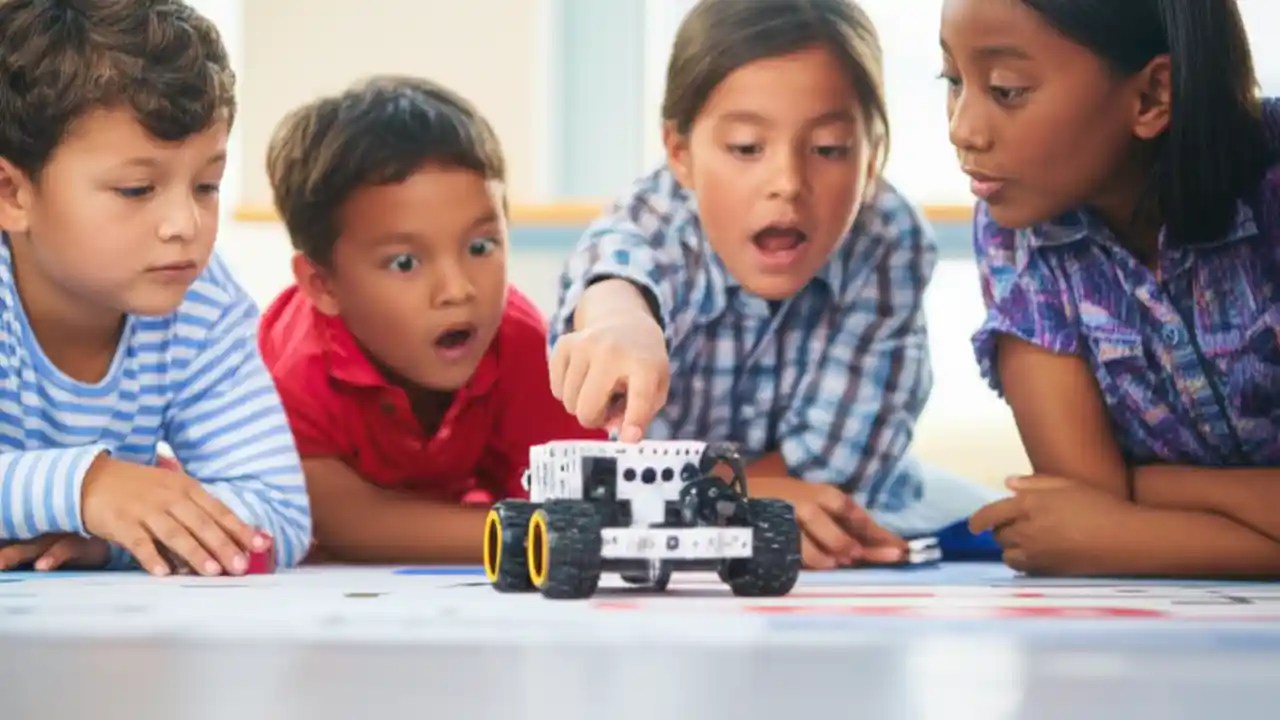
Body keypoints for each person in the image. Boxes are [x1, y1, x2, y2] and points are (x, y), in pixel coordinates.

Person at [549, 0, 999, 570]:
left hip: (864, 508)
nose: (787, 183)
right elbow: (613, 271)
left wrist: (736, 497)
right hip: (666, 521)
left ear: (873, 156)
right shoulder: (657, 216)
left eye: (829, 149)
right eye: (745, 148)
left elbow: (837, 469)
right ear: (679, 153)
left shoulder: (887, 237)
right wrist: (620, 321)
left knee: (995, 530)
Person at [942, 0, 1280, 577]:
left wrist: (1136, 506)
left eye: (1007, 89)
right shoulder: (1015, 223)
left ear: (1152, 96)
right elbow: (1078, 506)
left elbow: (1103, 527)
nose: (962, 129)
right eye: (952, 80)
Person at [0, 0, 311, 575]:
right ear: (13, 194)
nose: (185, 226)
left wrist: (124, 538)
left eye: (207, 185)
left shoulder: (202, 304)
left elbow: (279, 512)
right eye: (138, 189)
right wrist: (89, 488)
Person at [259, 76, 605, 565]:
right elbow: (348, 521)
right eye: (405, 262)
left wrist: (555, 527)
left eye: (480, 247)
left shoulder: (521, 345)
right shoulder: (291, 372)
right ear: (323, 285)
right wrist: (537, 532)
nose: (458, 289)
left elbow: (581, 499)